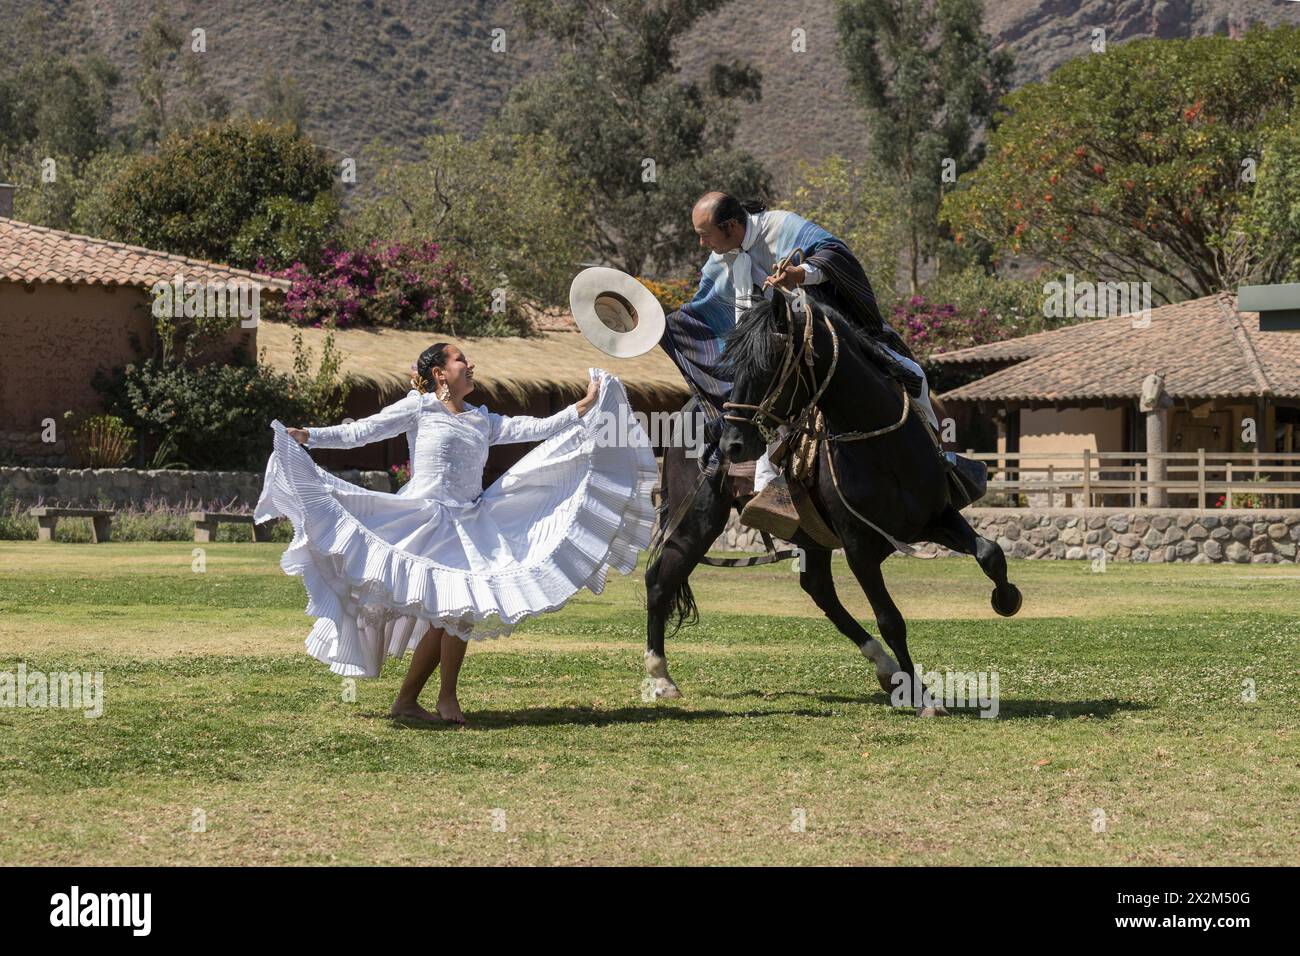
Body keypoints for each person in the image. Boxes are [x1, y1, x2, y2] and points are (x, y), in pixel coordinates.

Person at [254, 343, 658, 725]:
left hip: (469, 524)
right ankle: (426, 698)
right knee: (449, 613)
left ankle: (420, 699)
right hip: (424, 520)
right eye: (462, 359)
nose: (471, 365)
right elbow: (362, 432)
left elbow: (538, 426)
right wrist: (310, 436)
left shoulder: (484, 419)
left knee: (456, 612)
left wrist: (586, 404)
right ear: (440, 373)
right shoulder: (421, 408)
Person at [658, 191, 942, 531]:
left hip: (831, 339)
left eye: (705, 234)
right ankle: (768, 487)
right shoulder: (720, 261)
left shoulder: (781, 227)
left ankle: (938, 460)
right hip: (778, 359)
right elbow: (702, 307)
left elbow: (835, 256)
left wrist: (799, 274)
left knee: (913, 373)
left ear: (731, 226)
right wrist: (655, 323)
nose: (702, 242)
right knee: (762, 404)